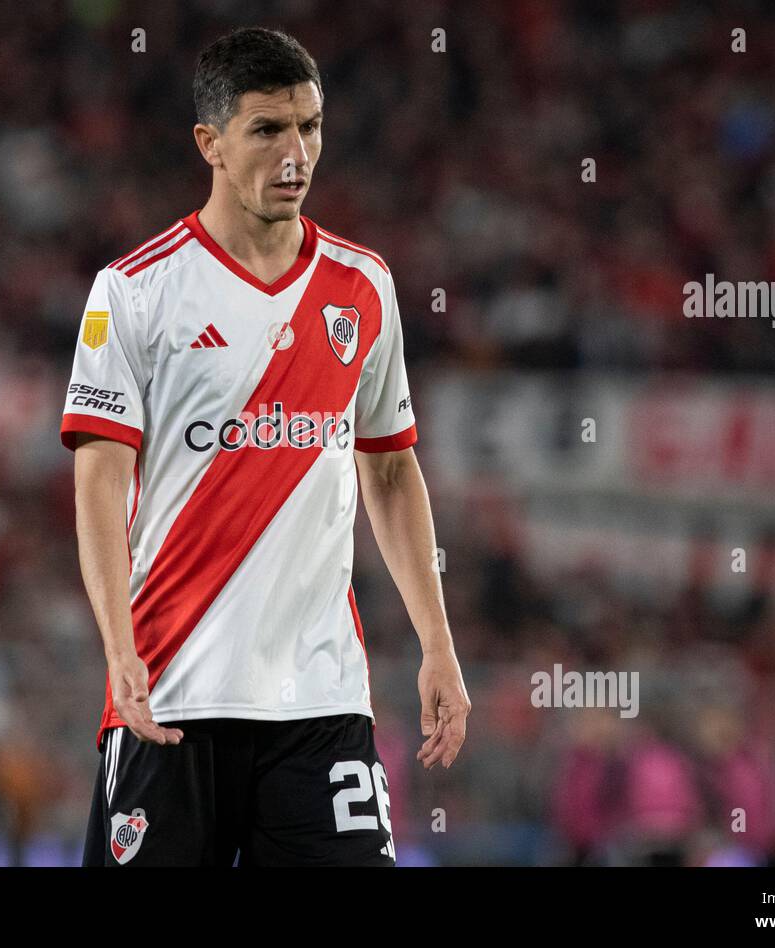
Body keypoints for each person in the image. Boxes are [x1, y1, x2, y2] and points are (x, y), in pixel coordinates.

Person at [63, 27, 470, 866]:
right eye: (267, 131)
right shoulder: (135, 291)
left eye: (310, 128)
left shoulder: (364, 286)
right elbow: (99, 481)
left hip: (321, 701)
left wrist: (438, 643)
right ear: (209, 143)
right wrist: (118, 651)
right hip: (173, 695)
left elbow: (390, 471)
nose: (296, 154)